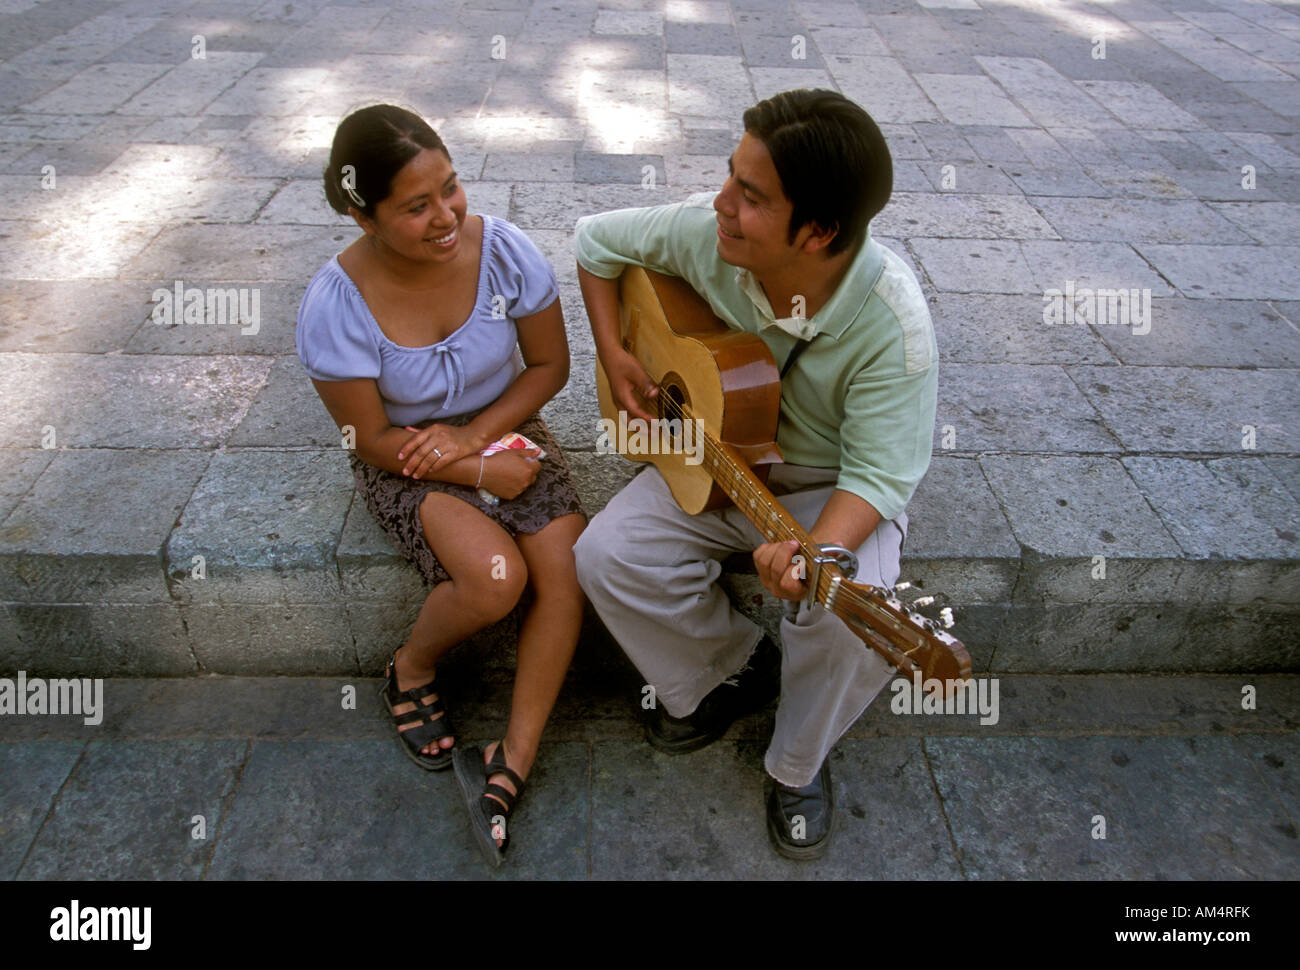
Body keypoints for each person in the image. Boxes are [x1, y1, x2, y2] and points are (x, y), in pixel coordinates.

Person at [572, 89, 937, 860]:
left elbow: (876, 477)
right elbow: (594, 244)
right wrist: (616, 353)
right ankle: (732, 671)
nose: (720, 203)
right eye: (730, 177)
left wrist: (815, 556)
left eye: (751, 195)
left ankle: (797, 764)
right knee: (604, 555)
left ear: (819, 231)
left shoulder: (892, 327)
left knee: (844, 617)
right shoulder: (708, 237)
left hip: (825, 489)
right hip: (717, 450)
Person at [295, 104, 586, 867]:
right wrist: (473, 465)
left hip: (501, 425)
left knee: (566, 569)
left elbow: (550, 368)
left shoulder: (506, 253)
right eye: (415, 206)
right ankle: (411, 668)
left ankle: (512, 759)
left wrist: (482, 434)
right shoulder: (337, 305)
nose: (445, 215)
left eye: (450, 188)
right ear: (364, 217)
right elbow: (367, 437)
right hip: (405, 457)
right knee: (496, 579)